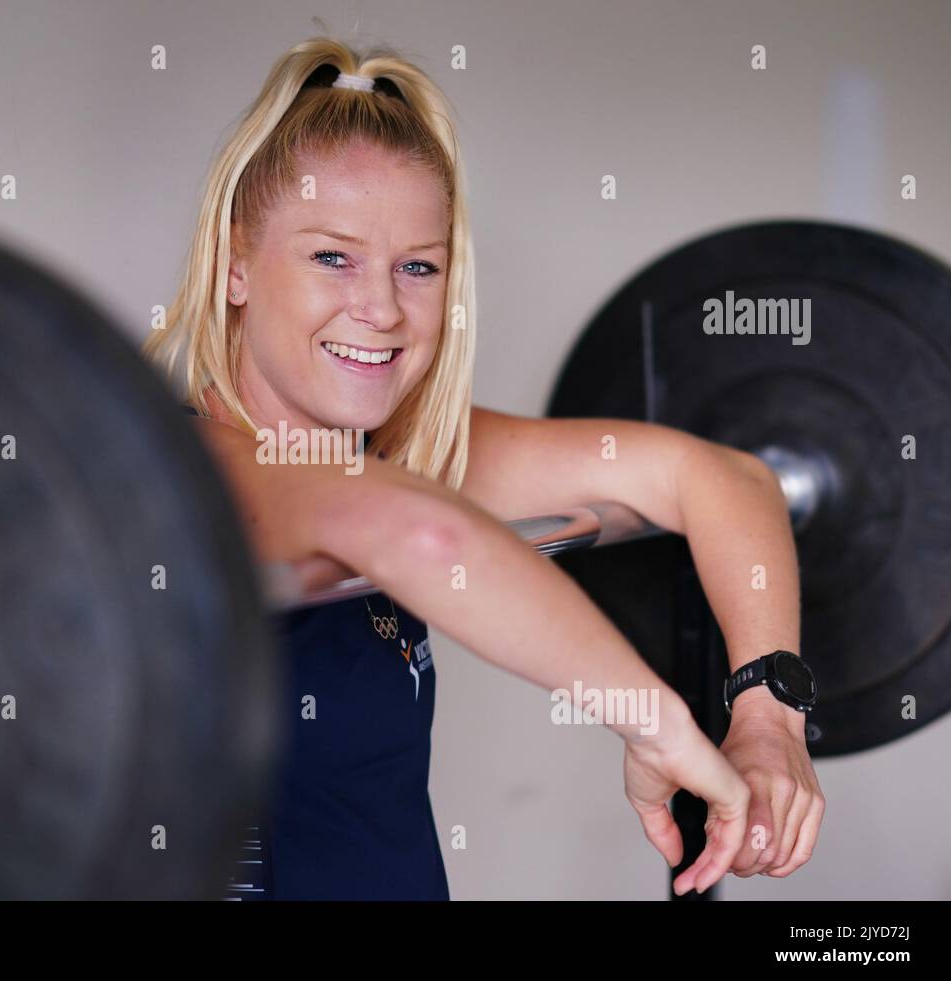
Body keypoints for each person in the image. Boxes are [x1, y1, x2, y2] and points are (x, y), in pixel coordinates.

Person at [143, 36, 823, 900]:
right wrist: (658, 725)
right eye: (332, 257)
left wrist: (767, 714)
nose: (383, 307)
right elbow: (416, 531)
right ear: (235, 264)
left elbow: (721, 479)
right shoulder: (196, 467)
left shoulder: (402, 460)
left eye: (417, 267)